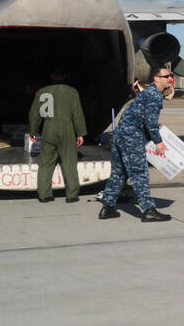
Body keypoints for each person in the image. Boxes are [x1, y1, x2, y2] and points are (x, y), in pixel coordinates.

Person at [99, 66, 173, 221]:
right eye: (166, 76)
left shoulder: (147, 93)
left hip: (120, 134)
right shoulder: (154, 95)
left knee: (119, 173)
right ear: (156, 78)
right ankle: (149, 210)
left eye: (170, 76)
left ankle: (107, 207)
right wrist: (158, 143)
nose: (169, 78)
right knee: (139, 173)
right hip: (131, 136)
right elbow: (150, 122)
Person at [27, 69, 86, 203]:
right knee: (69, 162)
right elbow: (77, 114)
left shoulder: (42, 91)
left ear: (51, 76)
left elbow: (34, 115)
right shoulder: (72, 92)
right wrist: (80, 133)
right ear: (65, 76)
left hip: (48, 128)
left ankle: (44, 195)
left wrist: (33, 132)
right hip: (67, 129)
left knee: (45, 163)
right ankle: (72, 195)